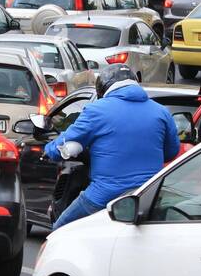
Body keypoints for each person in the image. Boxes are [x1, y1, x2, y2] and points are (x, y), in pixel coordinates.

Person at [43, 77, 179, 229]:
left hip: (104, 196)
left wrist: (50, 150)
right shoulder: (161, 111)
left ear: (103, 90)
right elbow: (171, 152)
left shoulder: (96, 110)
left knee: (60, 232)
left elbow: (63, 144)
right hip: (149, 195)